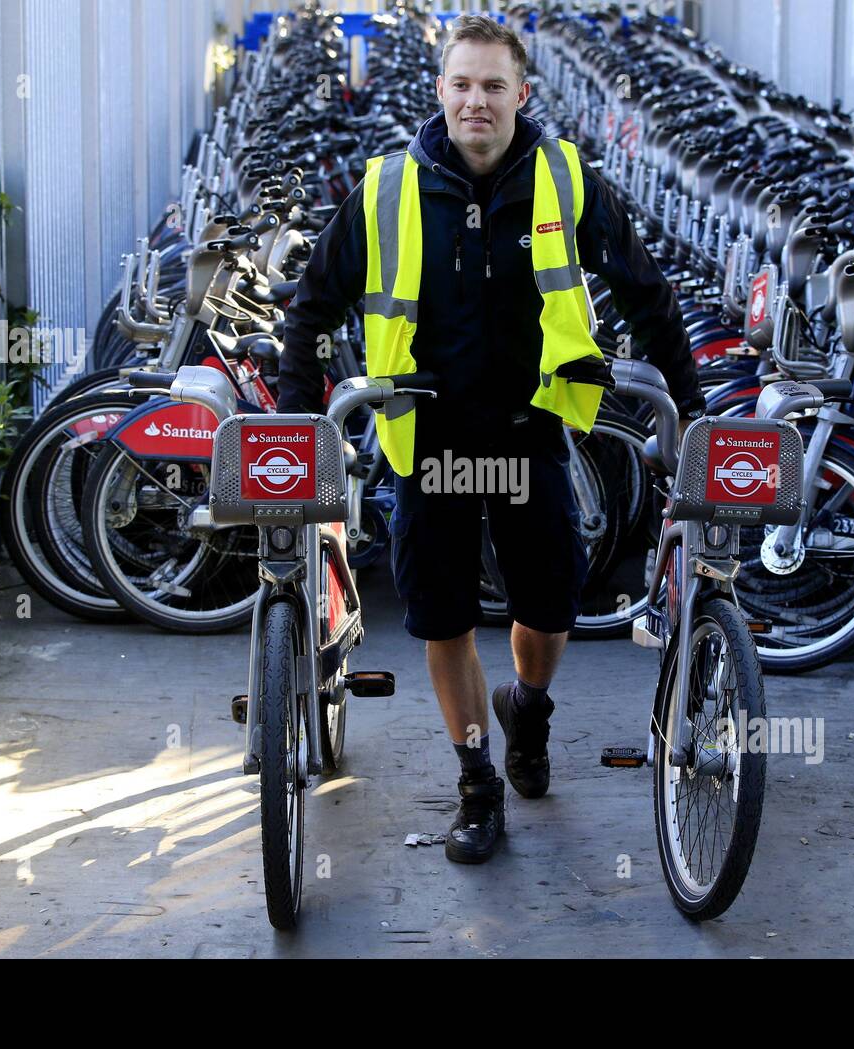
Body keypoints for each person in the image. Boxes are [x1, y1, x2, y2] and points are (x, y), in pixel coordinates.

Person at [278, 15, 705, 864]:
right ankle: (477, 785)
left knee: (551, 609)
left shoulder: (565, 180)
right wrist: (299, 416)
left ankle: (529, 708)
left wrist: (689, 405)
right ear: (440, 90)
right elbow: (313, 308)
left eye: (494, 86)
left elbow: (646, 290)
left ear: (522, 95)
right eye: (463, 84)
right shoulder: (387, 189)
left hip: (527, 431)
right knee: (443, 621)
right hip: (427, 441)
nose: (477, 100)